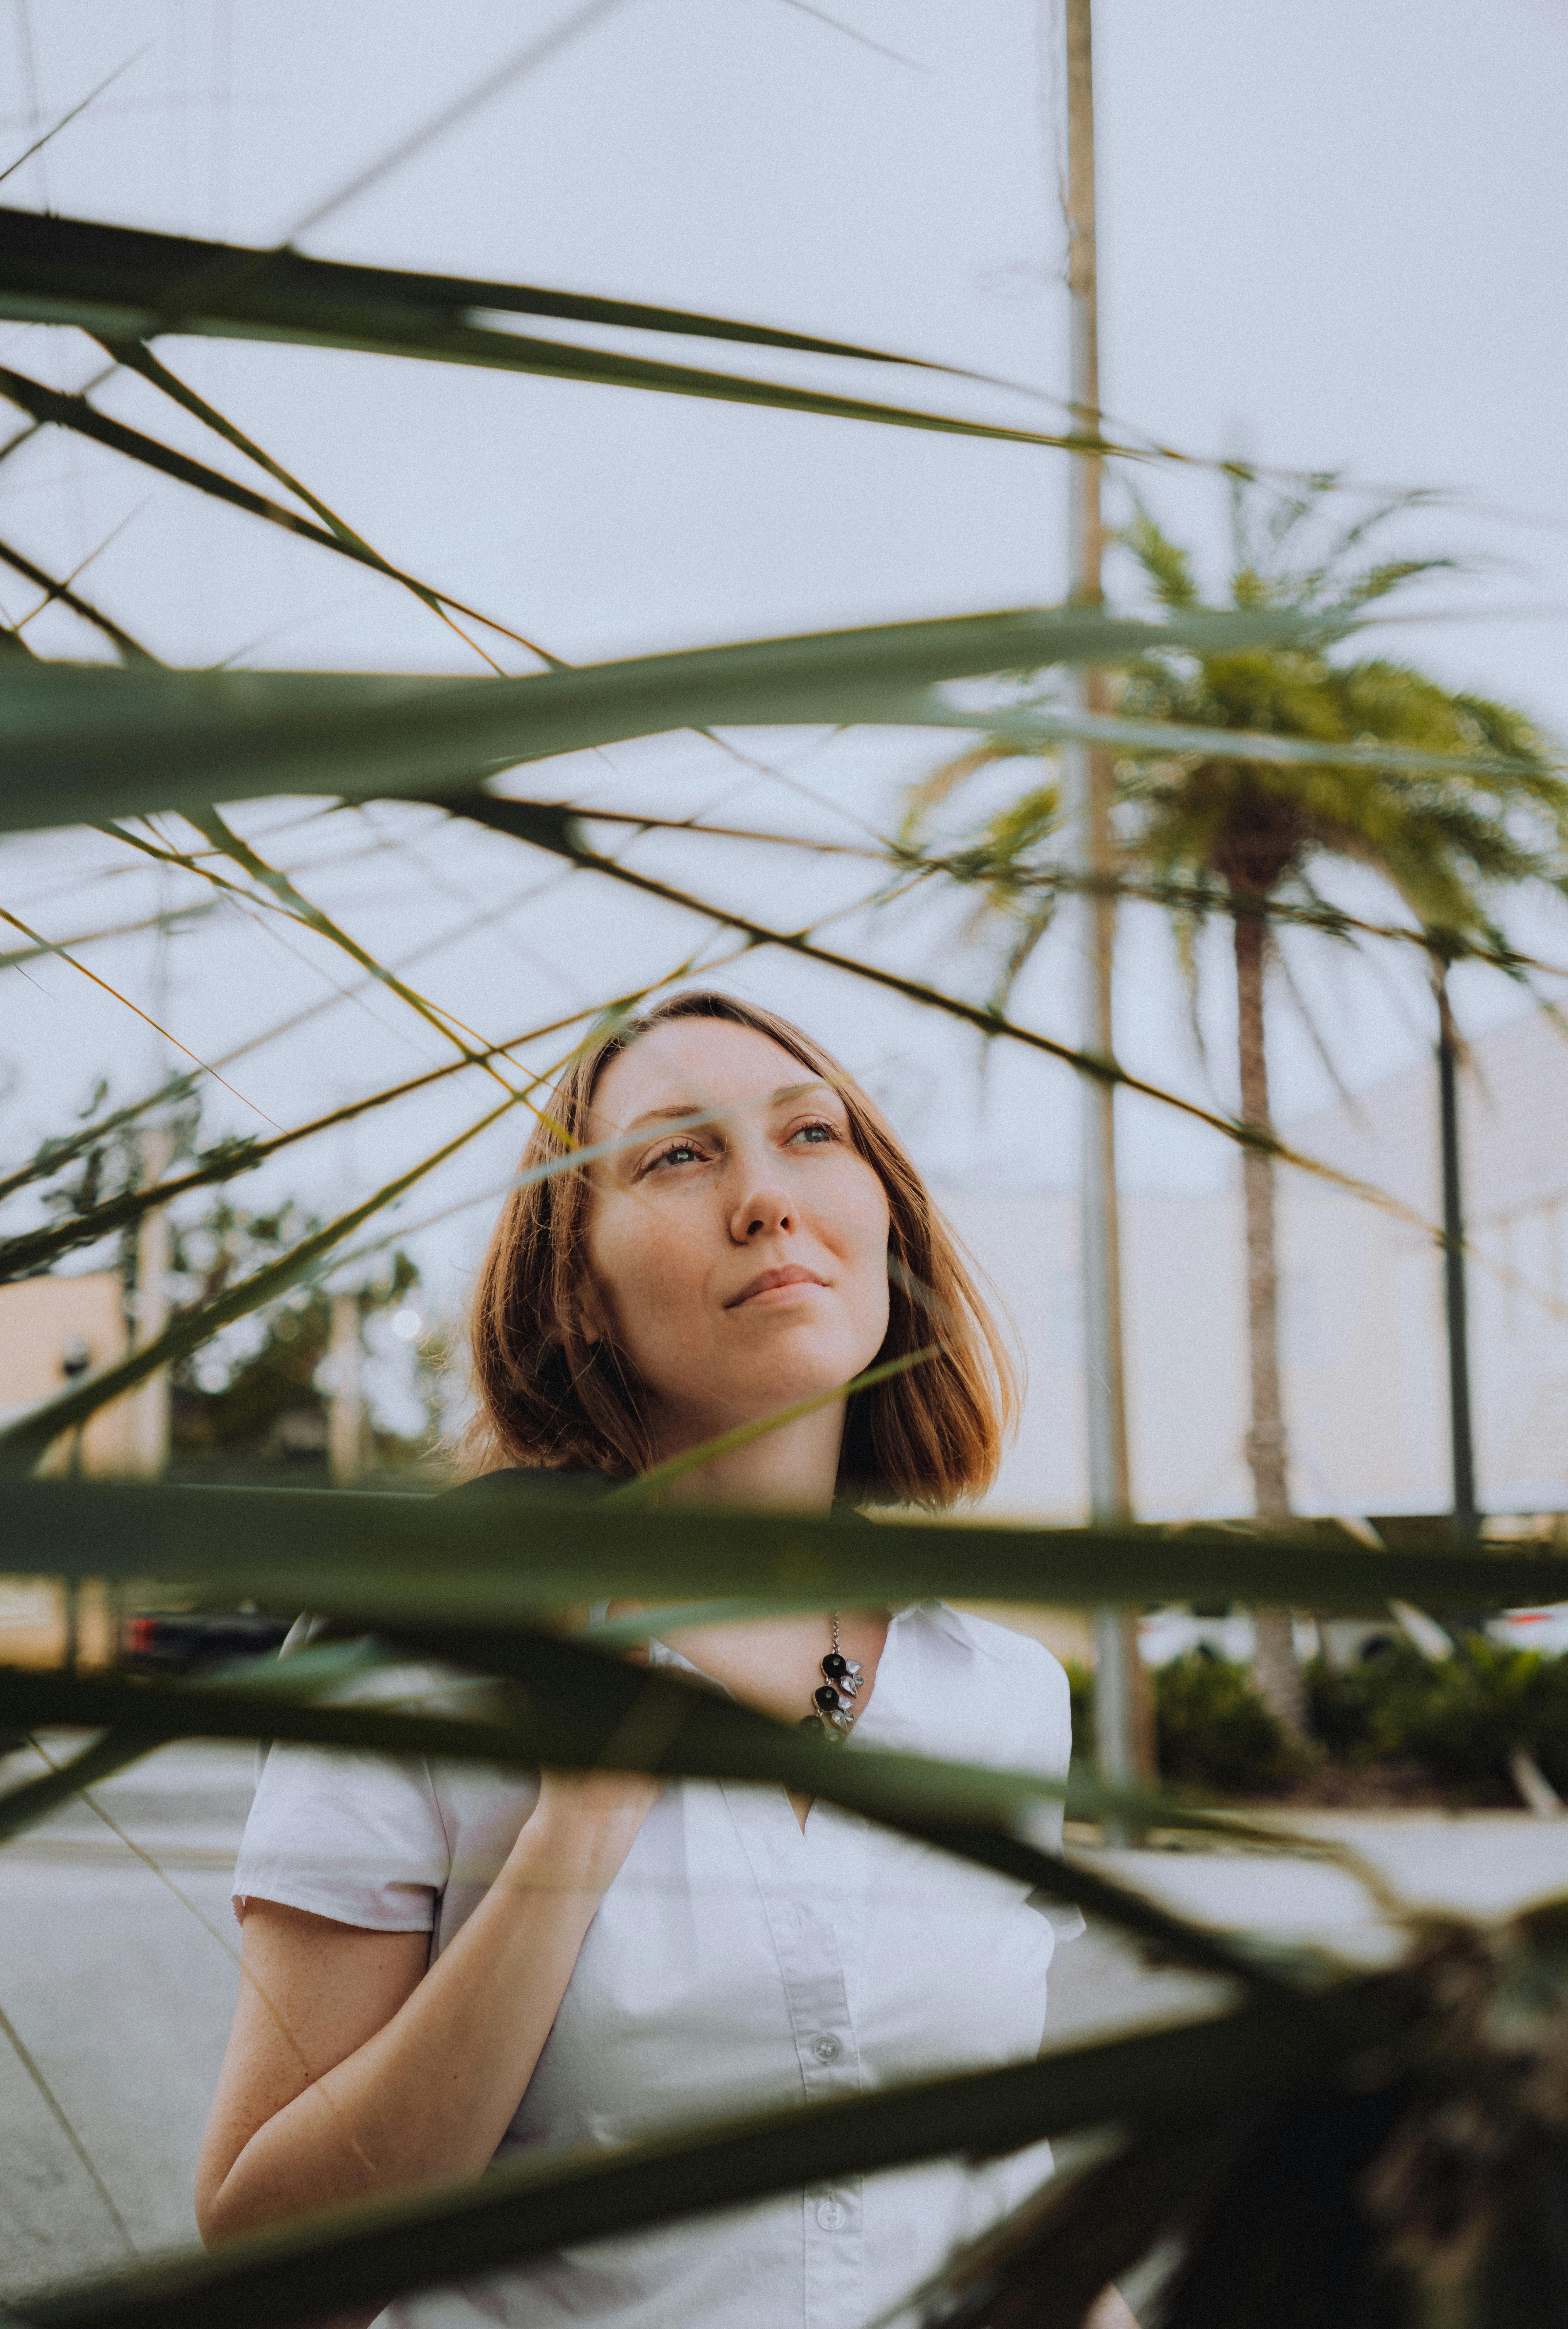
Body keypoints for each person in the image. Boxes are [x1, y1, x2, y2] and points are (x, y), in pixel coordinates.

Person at [197, 991, 1136, 2329]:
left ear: (886, 1222)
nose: (765, 1198)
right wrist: (578, 1820)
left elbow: (987, 2191)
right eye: (678, 1156)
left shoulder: (995, 1696)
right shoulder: (412, 1671)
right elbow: (265, 2275)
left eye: (812, 1135)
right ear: (574, 1287)